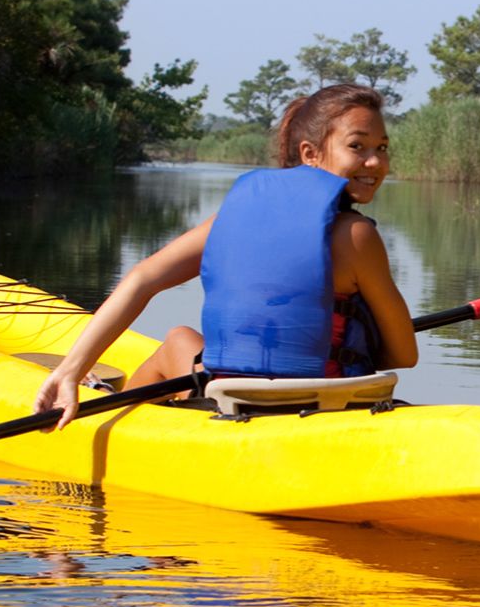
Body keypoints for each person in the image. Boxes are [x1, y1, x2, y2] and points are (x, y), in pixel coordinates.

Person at [32, 83, 419, 429]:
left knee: (178, 340)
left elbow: (143, 279)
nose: (375, 162)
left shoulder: (233, 219)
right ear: (310, 153)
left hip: (238, 400)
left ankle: (114, 426)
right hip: (327, 405)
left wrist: (70, 370)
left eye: (382, 148)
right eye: (357, 146)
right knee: (182, 340)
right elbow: (403, 353)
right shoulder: (358, 236)